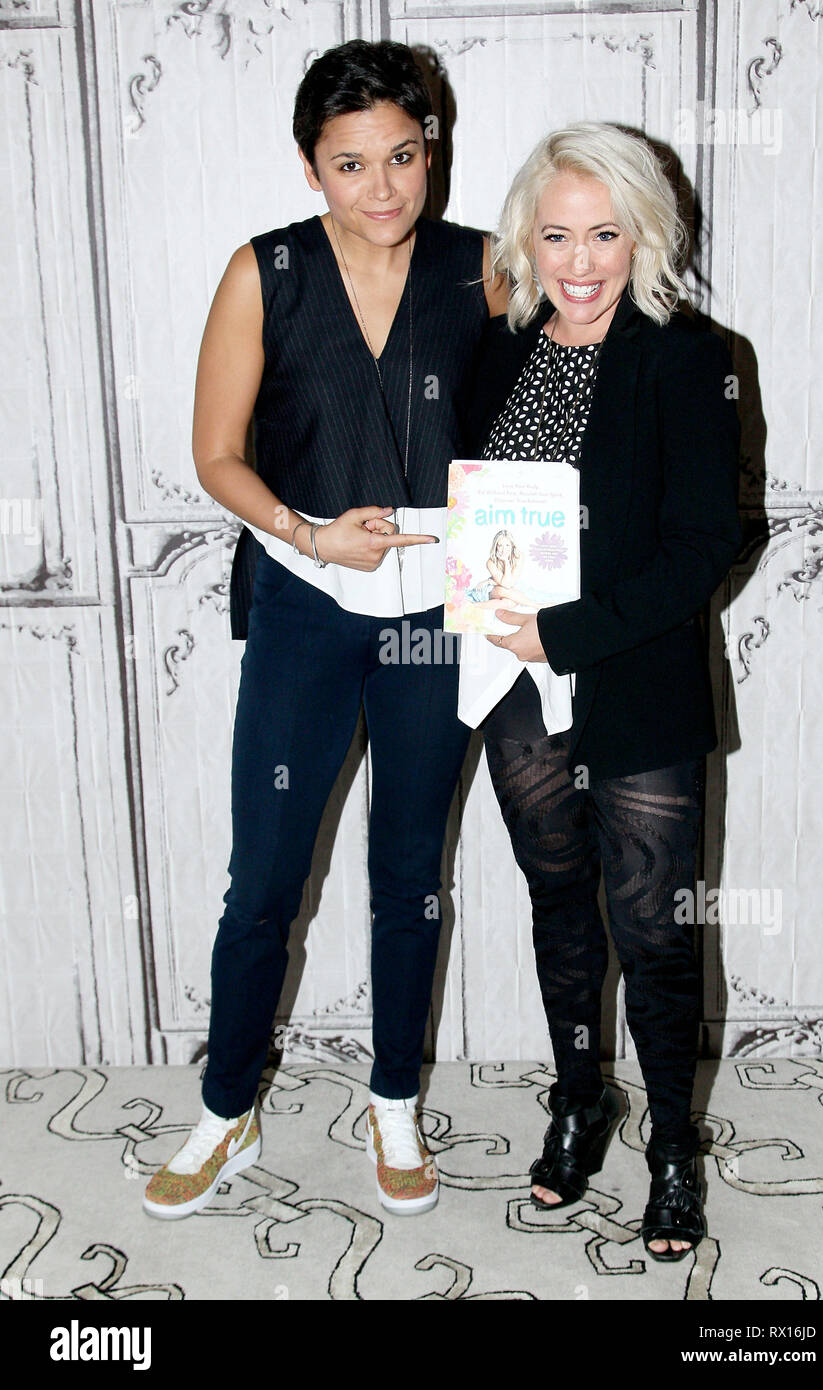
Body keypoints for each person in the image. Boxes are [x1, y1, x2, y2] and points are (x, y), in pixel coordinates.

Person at [142, 39, 507, 1221]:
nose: (384, 186)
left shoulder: (485, 272)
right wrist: (307, 534)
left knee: (409, 873)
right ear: (312, 168)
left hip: (431, 618)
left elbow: (534, 437)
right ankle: (224, 1106)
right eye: (352, 163)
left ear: (429, 148)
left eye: (402, 155)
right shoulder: (265, 271)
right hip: (306, 602)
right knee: (265, 879)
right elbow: (213, 456)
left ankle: (391, 1099)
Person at [461, 122, 741, 1260]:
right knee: (559, 905)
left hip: (630, 677)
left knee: (655, 925)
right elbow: (473, 500)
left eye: (605, 234)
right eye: (557, 232)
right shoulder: (496, 348)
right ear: (528, 235)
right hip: (514, 682)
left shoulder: (690, 354)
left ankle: (672, 1141)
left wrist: (565, 628)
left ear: (644, 235)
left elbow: (700, 545)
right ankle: (582, 1097)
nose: (579, 261)